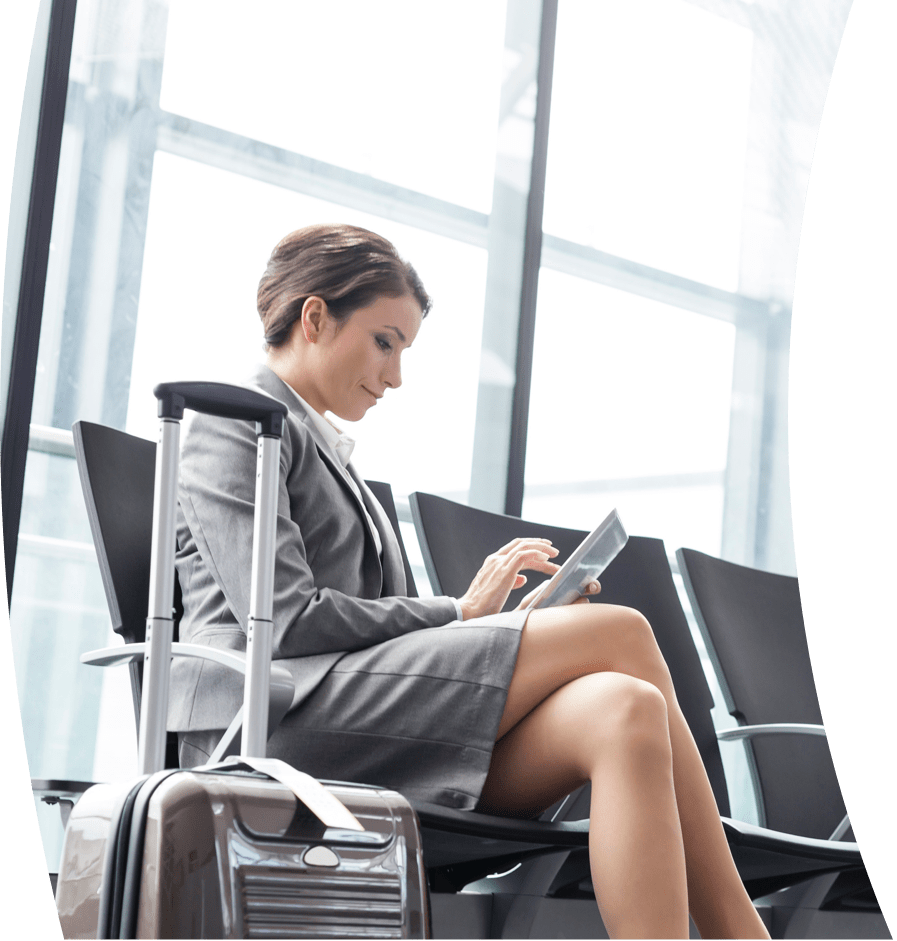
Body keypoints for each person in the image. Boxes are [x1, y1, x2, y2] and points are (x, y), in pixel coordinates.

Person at [171, 223, 770, 940]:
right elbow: (288, 620)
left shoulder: (326, 445)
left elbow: (365, 624)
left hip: (353, 711)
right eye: (385, 341)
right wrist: (461, 610)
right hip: (275, 719)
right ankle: (744, 934)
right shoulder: (231, 419)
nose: (394, 375)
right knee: (621, 631)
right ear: (314, 316)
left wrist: (500, 620)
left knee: (624, 706)